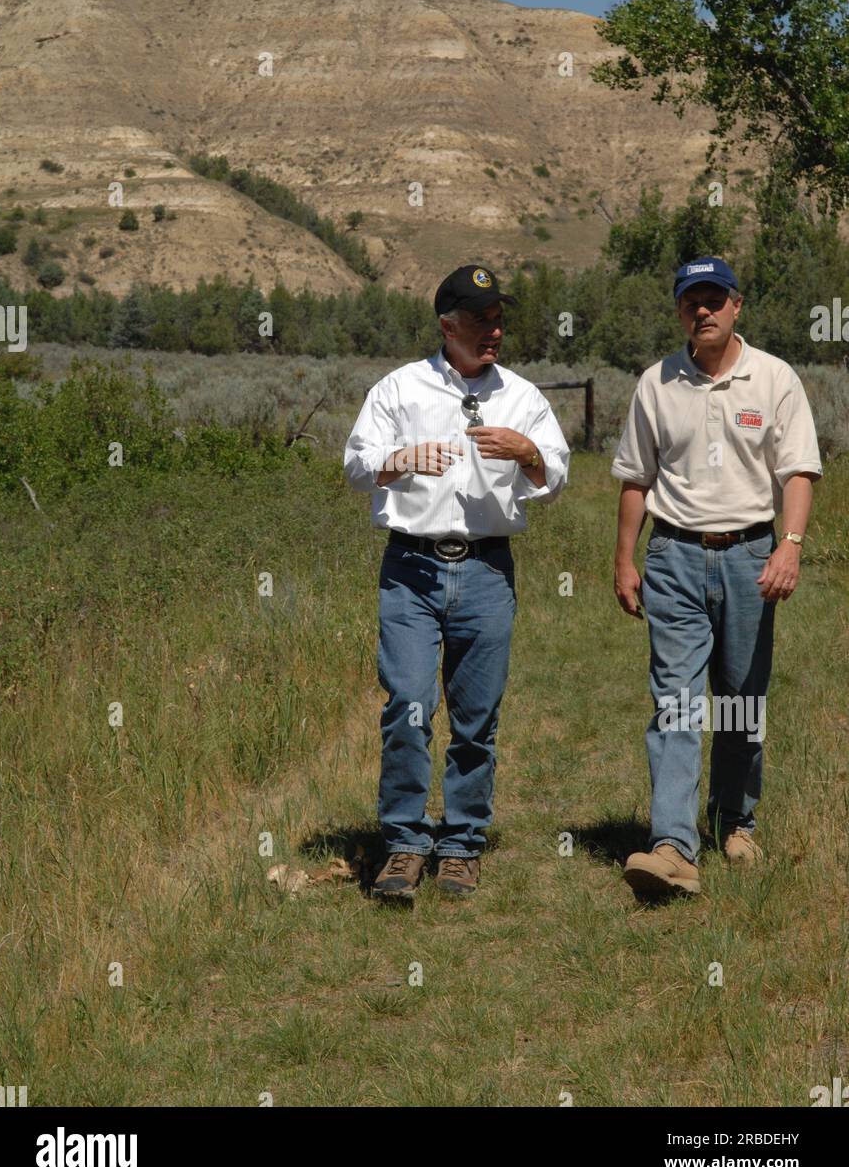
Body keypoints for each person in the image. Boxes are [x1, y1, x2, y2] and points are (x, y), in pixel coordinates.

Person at [344, 264, 570, 900]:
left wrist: (527, 453)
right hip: (410, 570)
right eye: (481, 319)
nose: (494, 330)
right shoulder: (399, 389)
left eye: (499, 318)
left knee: (476, 717)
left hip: (486, 570)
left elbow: (555, 477)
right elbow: (356, 466)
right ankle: (405, 844)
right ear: (448, 326)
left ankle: (463, 843)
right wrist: (399, 461)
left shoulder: (522, 397)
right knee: (408, 706)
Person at [611, 256, 822, 897]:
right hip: (673, 555)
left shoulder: (774, 379)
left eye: (713, 300)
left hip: (751, 556)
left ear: (736, 306)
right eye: (689, 301)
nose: (701, 311)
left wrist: (789, 546)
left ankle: (736, 823)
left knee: (739, 698)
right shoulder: (657, 383)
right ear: (679, 310)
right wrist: (624, 558)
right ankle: (673, 844)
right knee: (675, 699)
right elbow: (635, 478)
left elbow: (799, 471)